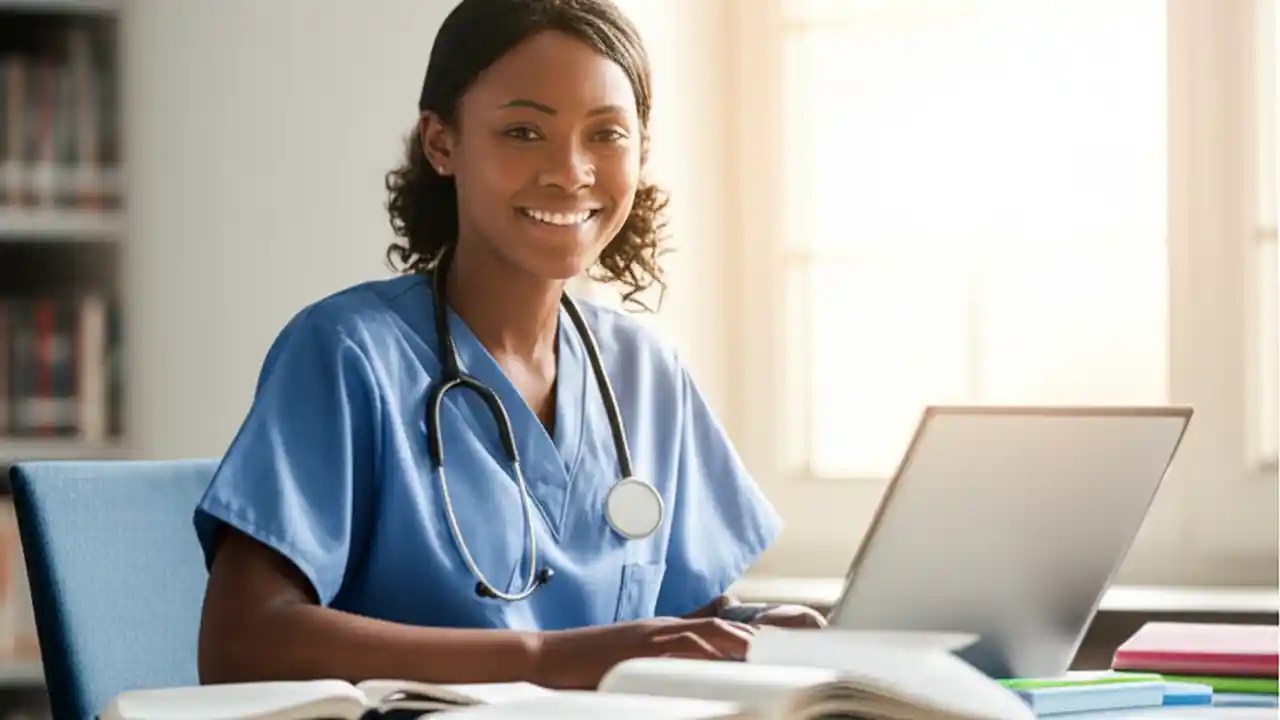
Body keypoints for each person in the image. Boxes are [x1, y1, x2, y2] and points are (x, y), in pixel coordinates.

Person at [194, 0, 824, 692]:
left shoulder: (646, 373)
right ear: (441, 142)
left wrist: (760, 626)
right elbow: (243, 641)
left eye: (607, 134)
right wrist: (548, 662)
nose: (570, 170)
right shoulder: (348, 354)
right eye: (525, 131)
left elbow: (673, 617)